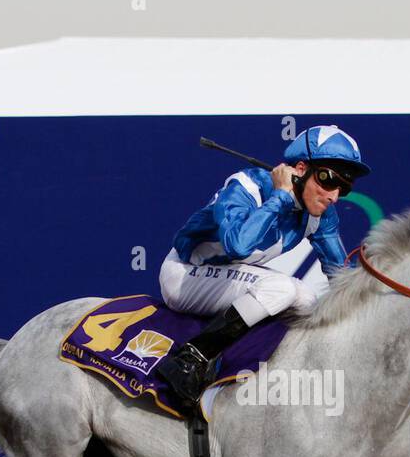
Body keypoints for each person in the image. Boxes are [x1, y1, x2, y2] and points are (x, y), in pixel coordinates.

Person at [153, 124, 370, 406]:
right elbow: (238, 246)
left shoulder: (323, 215)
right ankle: (191, 358)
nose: (334, 196)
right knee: (282, 287)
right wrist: (281, 195)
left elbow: (341, 276)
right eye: (328, 180)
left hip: (227, 278)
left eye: (345, 187)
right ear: (300, 169)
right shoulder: (246, 187)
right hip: (183, 276)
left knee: (306, 299)